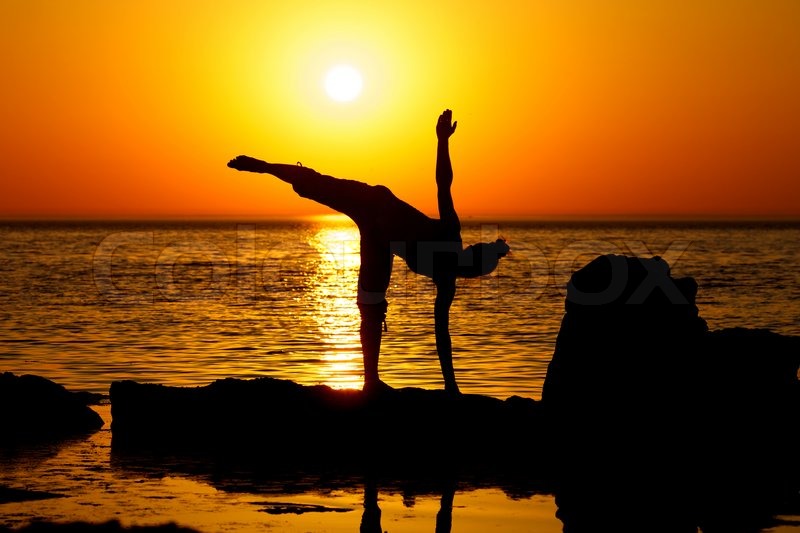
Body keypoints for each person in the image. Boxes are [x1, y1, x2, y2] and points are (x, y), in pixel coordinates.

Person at [228, 109, 509, 394]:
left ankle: (371, 381)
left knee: (372, 302)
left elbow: (442, 335)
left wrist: (451, 386)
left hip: (380, 240)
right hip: (374, 203)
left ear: (472, 266)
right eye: (476, 246)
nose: (470, 247)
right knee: (314, 182)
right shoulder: (450, 235)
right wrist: (442, 141)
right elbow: (443, 183)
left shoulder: (447, 279)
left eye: (476, 250)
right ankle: (263, 166)